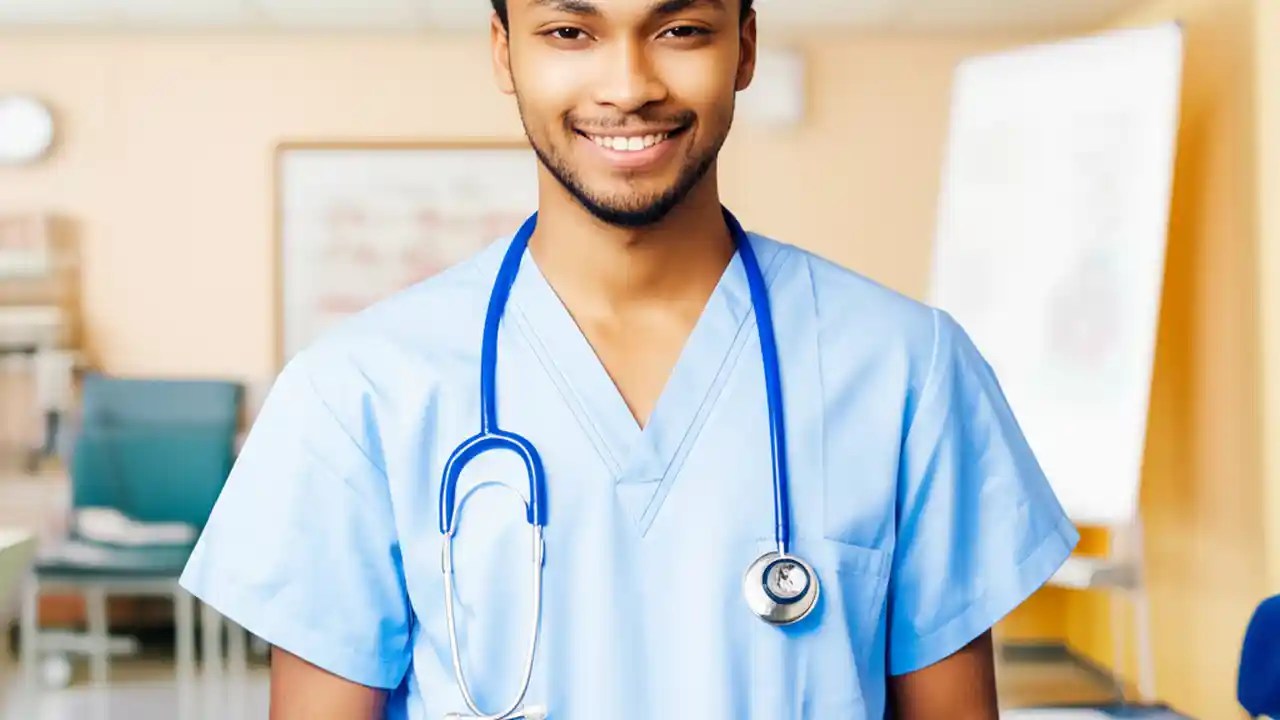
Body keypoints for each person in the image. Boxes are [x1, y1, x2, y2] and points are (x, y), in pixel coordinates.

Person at [178, 0, 1080, 717]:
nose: (629, 84)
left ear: (747, 47)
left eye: (680, 30)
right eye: (570, 31)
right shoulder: (360, 389)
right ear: (504, 52)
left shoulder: (906, 369)